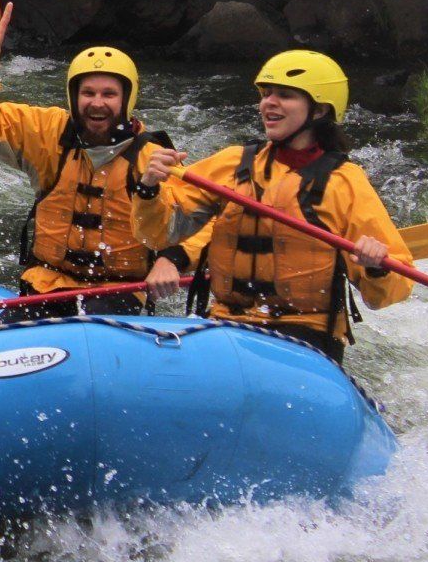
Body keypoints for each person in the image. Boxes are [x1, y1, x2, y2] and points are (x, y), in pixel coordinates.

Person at [146, 51, 411, 362]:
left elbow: (390, 292)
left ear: (319, 110)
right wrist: (149, 188)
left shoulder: (345, 182)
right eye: (266, 94)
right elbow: (160, 232)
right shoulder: (233, 163)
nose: (268, 103)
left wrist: (376, 266)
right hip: (226, 325)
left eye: (284, 96)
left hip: (305, 333)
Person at [0, 0, 182, 320]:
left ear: (127, 98)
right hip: (46, 285)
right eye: (88, 93)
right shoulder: (49, 133)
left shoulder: (153, 157)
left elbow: (198, 218)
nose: (97, 103)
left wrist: (169, 259)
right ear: (73, 97)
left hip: (117, 294)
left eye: (109, 94)